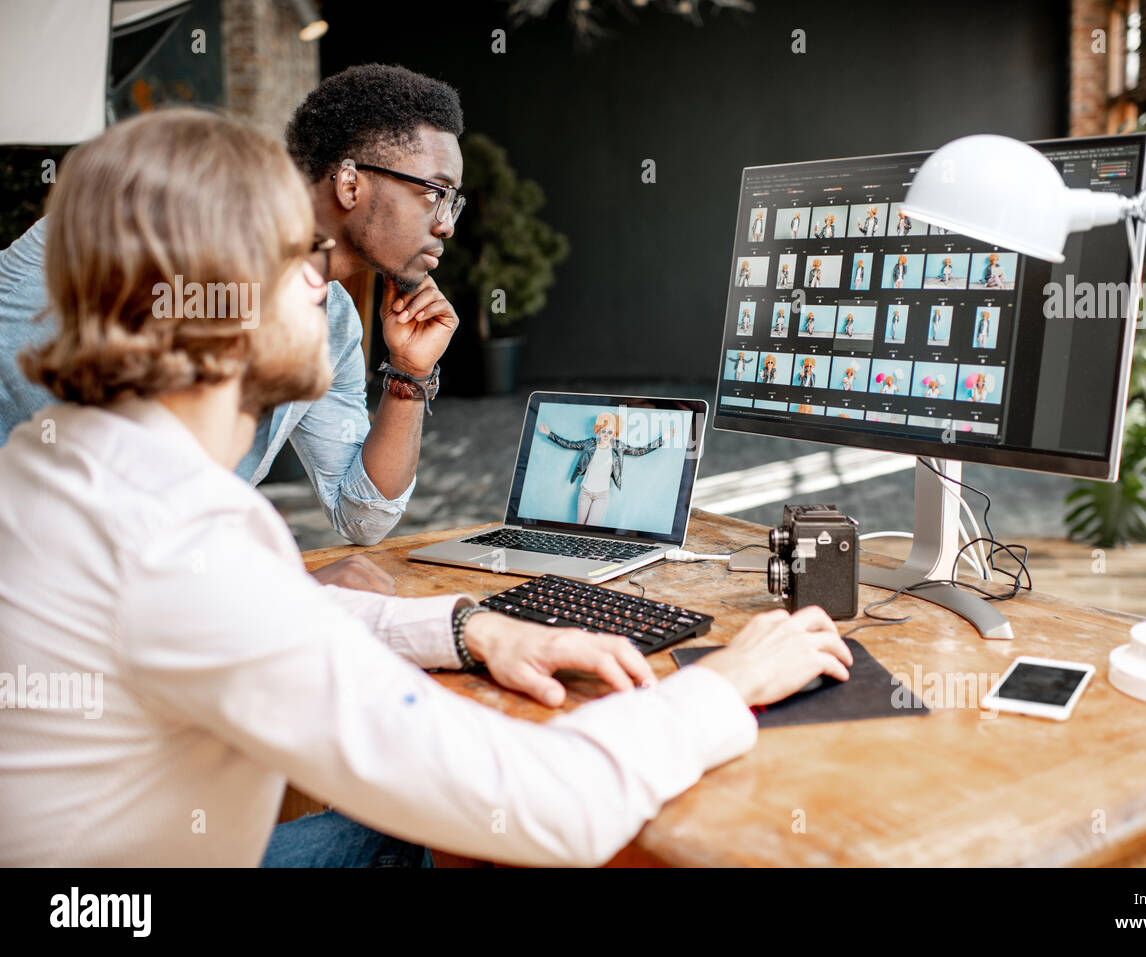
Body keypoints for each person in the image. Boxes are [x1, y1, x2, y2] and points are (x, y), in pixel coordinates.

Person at [0, 109, 853, 868]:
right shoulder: (181, 531)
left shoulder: (62, 463)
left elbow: (256, 609)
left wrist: (468, 626)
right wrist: (725, 682)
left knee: (412, 829)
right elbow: (545, 802)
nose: (323, 283)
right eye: (297, 257)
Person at [0, 64, 468, 593]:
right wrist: (290, 585)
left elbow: (362, 519)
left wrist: (408, 374)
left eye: (453, 200)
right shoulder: (137, 246)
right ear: (349, 181)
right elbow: (129, 506)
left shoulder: (332, 321)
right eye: (434, 191)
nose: (446, 222)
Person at [535, 412, 675, 526]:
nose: (606, 435)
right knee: (579, 526)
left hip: (602, 495)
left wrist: (662, 439)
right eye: (603, 431)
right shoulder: (589, 443)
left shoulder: (618, 446)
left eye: (610, 432)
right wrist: (549, 434)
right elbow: (568, 444)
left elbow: (639, 451)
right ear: (598, 430)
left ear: (614, 433)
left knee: (591, 527)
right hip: (585, 492)